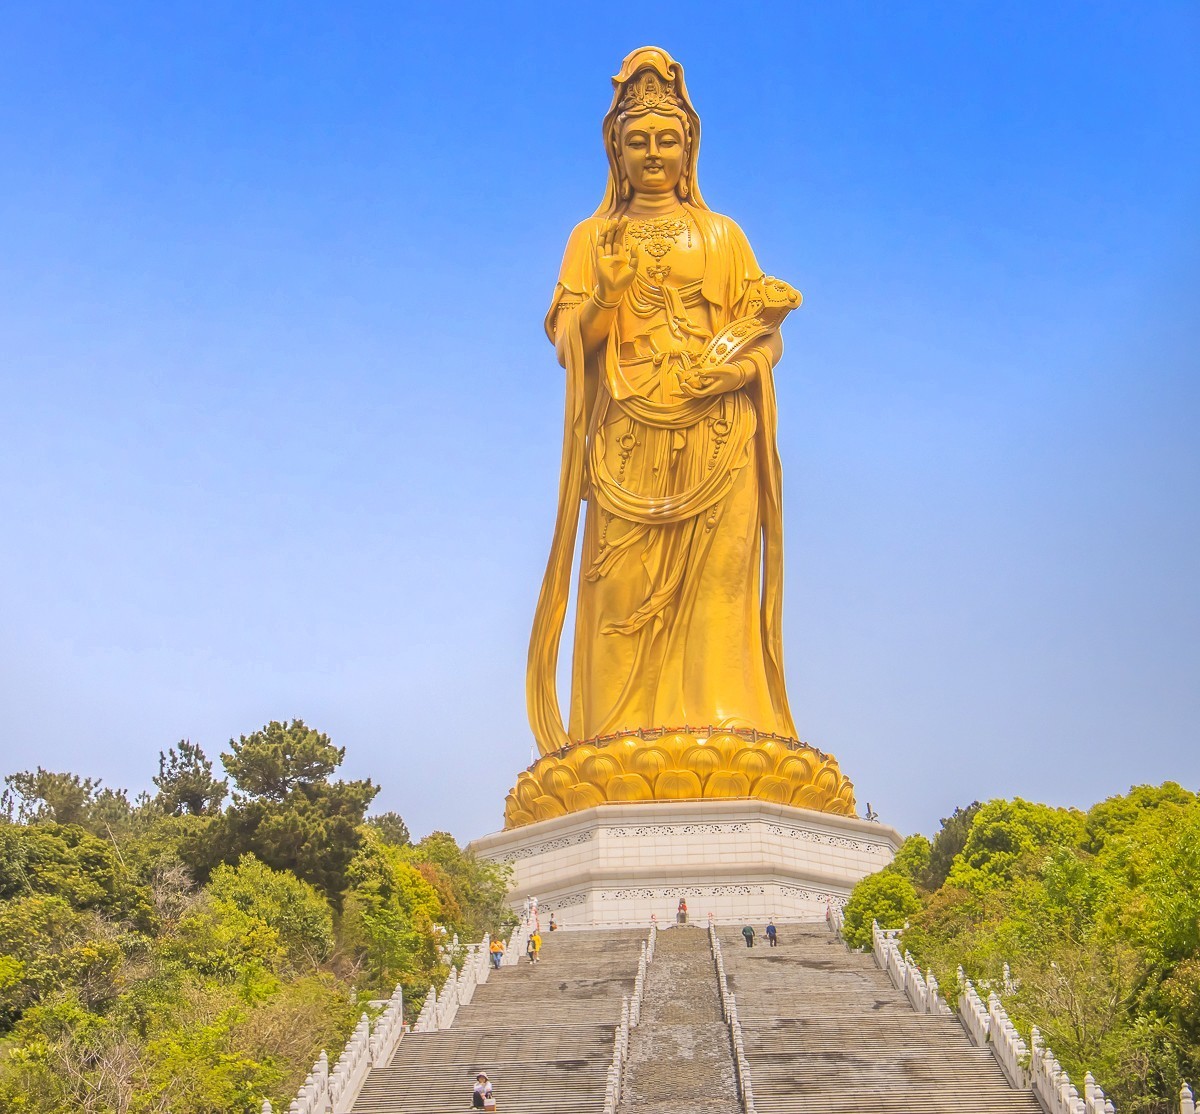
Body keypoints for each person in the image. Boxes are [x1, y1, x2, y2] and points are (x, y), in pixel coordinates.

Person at [527, 46, 802, 750]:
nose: (654, 154)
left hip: (720, 438)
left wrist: (742, 371)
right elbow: (568, 340)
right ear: (616, 152)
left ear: (689, 147)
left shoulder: (723, 235)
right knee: (618, 593)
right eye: (638, 141)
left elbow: (764, 338)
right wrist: (608, 295)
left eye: (667, 140)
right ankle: (613, 739)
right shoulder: (591, 239)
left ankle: (724, 727)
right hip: (628, 439)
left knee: (719, 593)